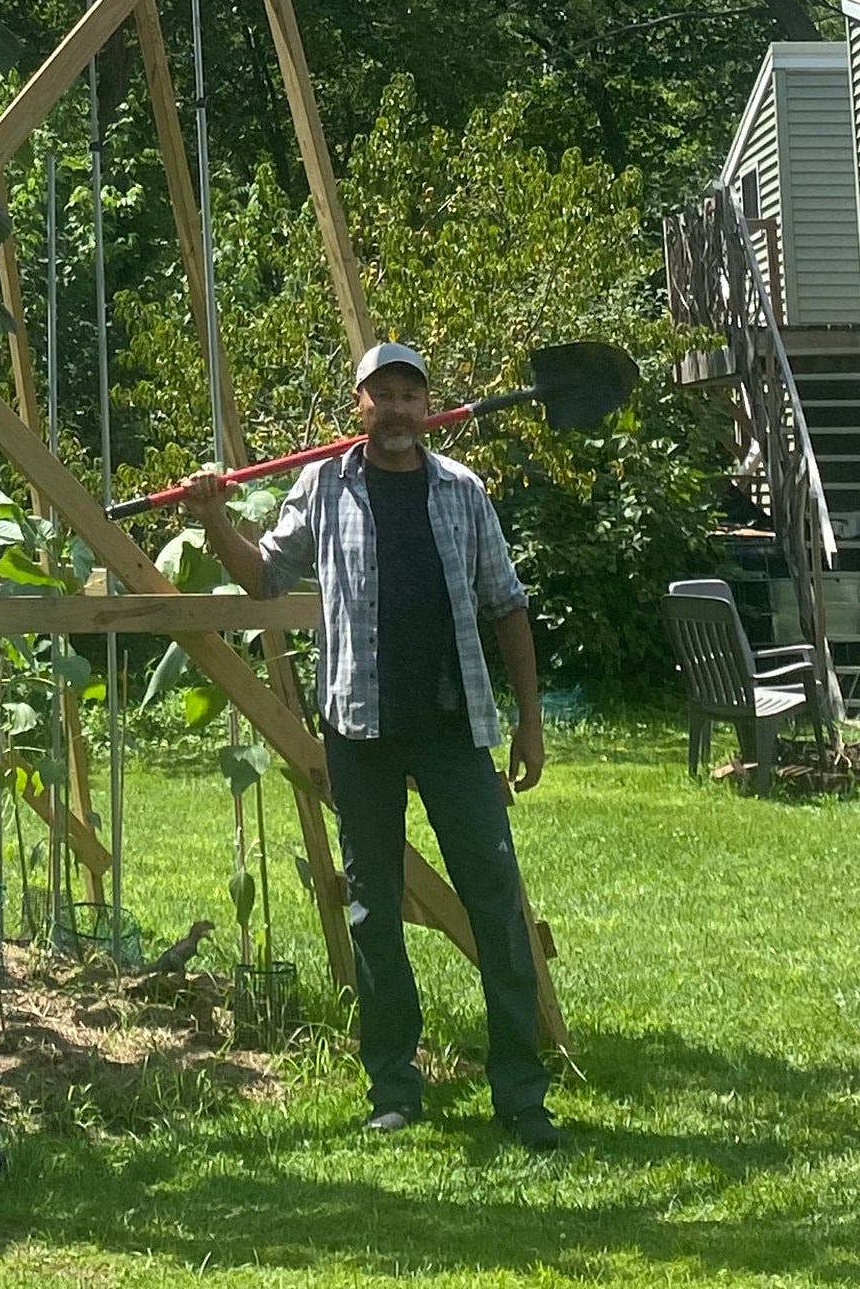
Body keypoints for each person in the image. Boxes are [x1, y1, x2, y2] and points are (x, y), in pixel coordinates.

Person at [183, 340, 559, 1149]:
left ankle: (522, 1095)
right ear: (358, 406)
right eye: (379, 395)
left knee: (496, 904)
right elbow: (264, 579)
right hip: (361, 731)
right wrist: (213, 517)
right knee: (373, 913)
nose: (395, 410)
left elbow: (508, 605)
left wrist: (528, 721)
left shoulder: (463, 491)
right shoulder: (323, 486)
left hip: (457, 730)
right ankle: (394, 1084)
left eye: (408, 396)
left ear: (428, 408)